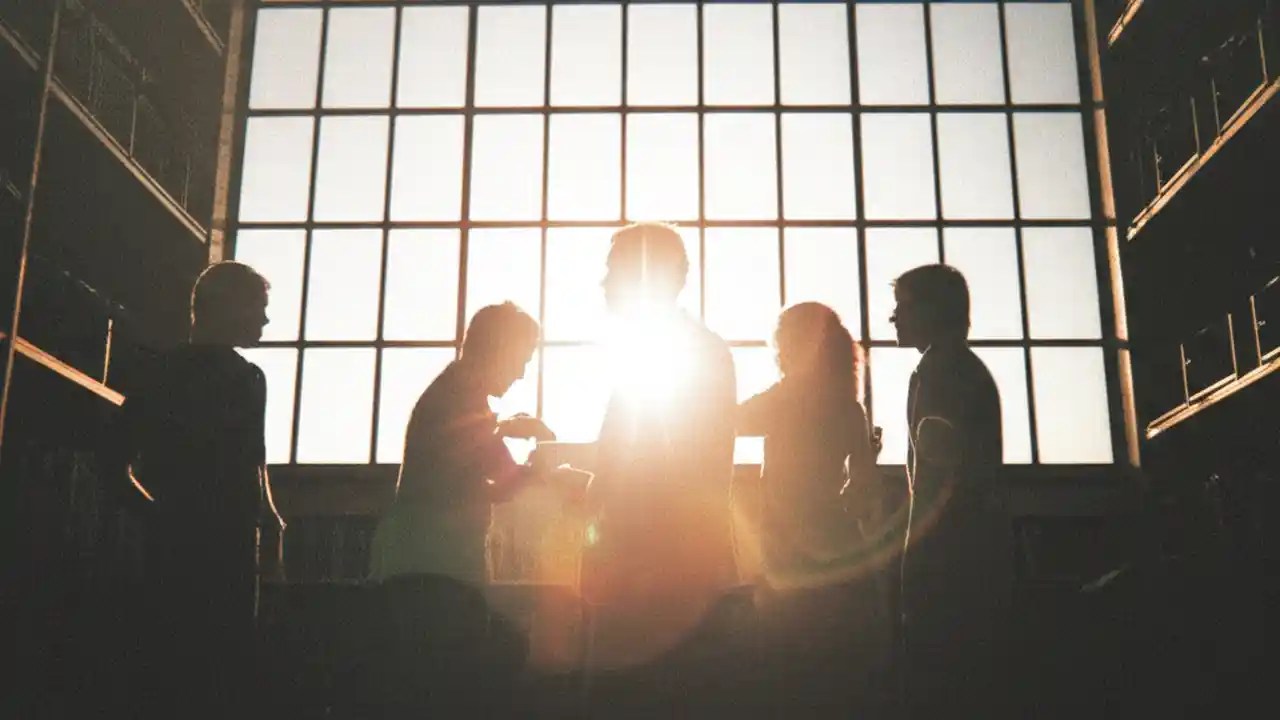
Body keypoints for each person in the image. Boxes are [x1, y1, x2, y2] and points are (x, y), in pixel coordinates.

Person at [368, 301, 576, 715]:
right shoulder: (464, 400)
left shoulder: (453, 393)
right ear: (499, 348)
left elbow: (461, 469)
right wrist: (545, 447)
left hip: (414, 562)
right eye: (520, 358)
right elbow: (507, 482)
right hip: (435, 567)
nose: (520, 372)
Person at [104, 261, 284, 719]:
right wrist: (267, 521)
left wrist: (160, 516)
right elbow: (253, 463)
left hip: (185, 552)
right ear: (229, 308)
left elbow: (113, 465)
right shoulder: (247, 380)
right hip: (226, 554)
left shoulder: (161, 374)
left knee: (184, 677)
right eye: (259, 308)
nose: (265, 320)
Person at [579, 223, 738, 707]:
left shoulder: (670, 356)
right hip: (675, 575)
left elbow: (646, 473)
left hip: (651, 580)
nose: (603, 282)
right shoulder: (697, 351)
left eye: (614, 269)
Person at [736, 302, 889, 716]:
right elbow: (864, 488)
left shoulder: (786, 396)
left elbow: (732, 421)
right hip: (837, 541)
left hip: (785, 542)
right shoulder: (848, 405)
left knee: (784, 665)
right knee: (833, 672)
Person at [890, 264, 1010, 718]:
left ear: (930, 311)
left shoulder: (938, 375)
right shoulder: (963, 370)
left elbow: (935, 487)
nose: (893, 318)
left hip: (949, 561)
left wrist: (914, 564)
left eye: (902, 306)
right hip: (975, 556)